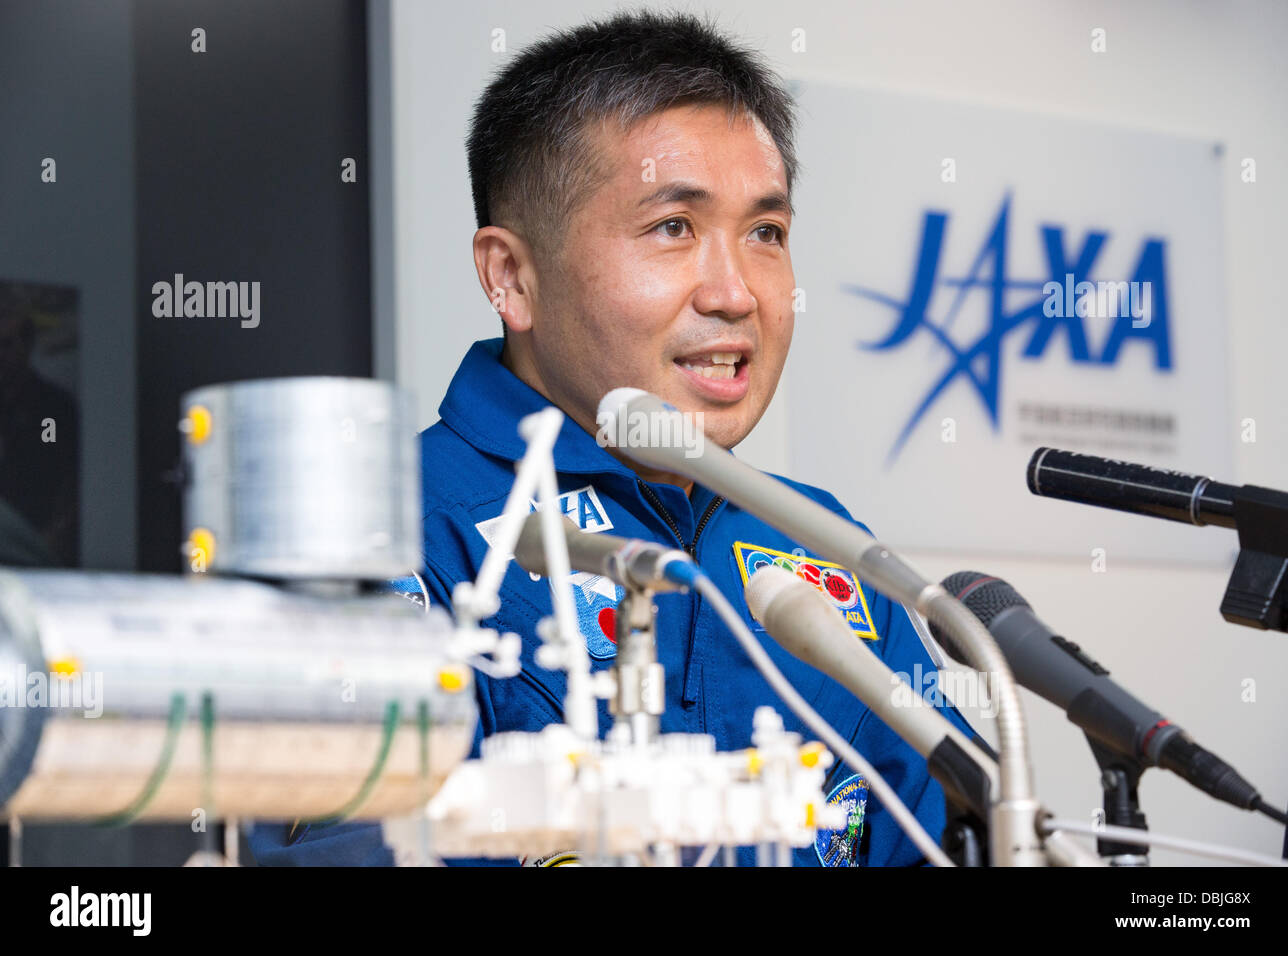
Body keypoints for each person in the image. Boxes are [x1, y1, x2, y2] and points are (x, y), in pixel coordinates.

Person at [251, 9, 984, 867]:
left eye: (766, 234)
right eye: (673, 227)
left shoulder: (822, 549)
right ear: (512, 277)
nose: (736, 292)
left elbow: (958, 835)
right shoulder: (380, 530)